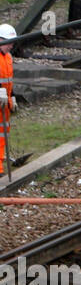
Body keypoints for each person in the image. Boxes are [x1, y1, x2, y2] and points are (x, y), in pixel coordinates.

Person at [0, 24, 16, 175]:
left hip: (4, 103)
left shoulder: (8, 57)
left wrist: (13, 97)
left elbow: (9, 80)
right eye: (8, 42)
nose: (11, 46)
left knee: (3, 133)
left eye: (13, 42)